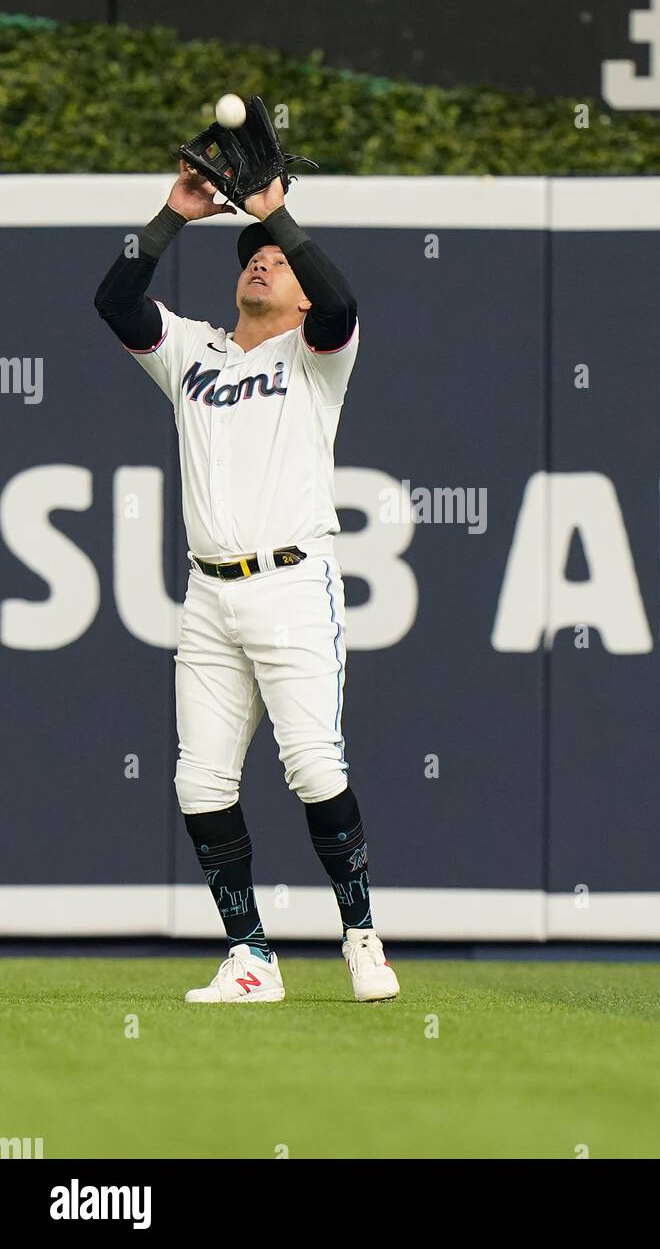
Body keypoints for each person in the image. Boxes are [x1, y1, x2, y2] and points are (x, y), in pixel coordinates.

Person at [94, 160, 400, 1005]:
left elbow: (342, 306)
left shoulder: (318, 355)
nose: (261, 261)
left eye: (279, 259)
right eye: (251, 254)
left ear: (301, 296)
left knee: (311, 765)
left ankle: (361, 936)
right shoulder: (191, 349)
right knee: (200, 782)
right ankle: (250, 956)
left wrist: (277, 213)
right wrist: (172, 213)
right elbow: (115, 303)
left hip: (294, 586)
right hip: (208, 595)